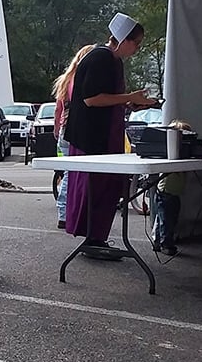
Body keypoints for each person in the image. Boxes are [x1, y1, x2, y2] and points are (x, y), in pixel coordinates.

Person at [64, 13, 158, 251]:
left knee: (108, 188)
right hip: (92, 138)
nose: (137, 48)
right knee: (96, 188)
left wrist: (132, 103)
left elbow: (107, 99)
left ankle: (96, 237)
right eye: (136, 43)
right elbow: (91, 99)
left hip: (104, 135)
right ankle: (91, 238)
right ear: (124, 40)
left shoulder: (112, 60)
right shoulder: (100, 58)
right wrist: (128, 97)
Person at [52, 45, 93, 229]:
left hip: (63, 129)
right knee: (72, 173)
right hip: (73, 131)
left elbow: (58, 108)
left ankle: (65, 210)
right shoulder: (80, 80)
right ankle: (64, 212)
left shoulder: (65, 79)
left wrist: (56, 128)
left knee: (68, 171)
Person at [152, 120, 191, 256]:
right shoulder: (172, 155)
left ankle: (158, 241)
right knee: (166, 220)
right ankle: (165, 244)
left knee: (166, 219)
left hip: (171, 192)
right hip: (166, 192)